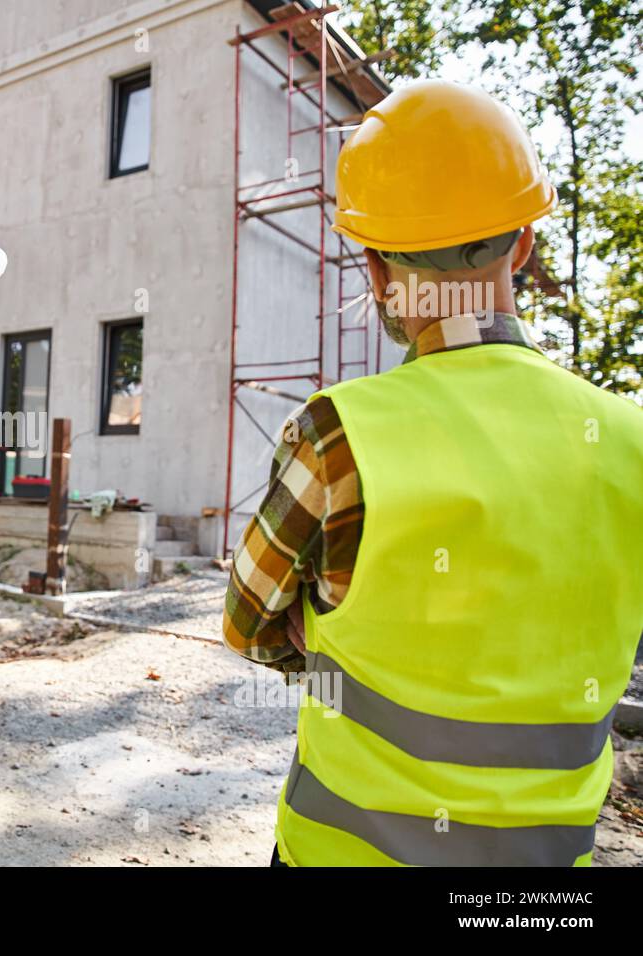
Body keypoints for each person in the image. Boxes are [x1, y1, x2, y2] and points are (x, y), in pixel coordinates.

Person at [223, 80, 643, 866]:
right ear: (521, 246)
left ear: (378, 272)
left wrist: (321, 640)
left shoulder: (339, 436)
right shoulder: (631, 439)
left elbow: (248, 625)